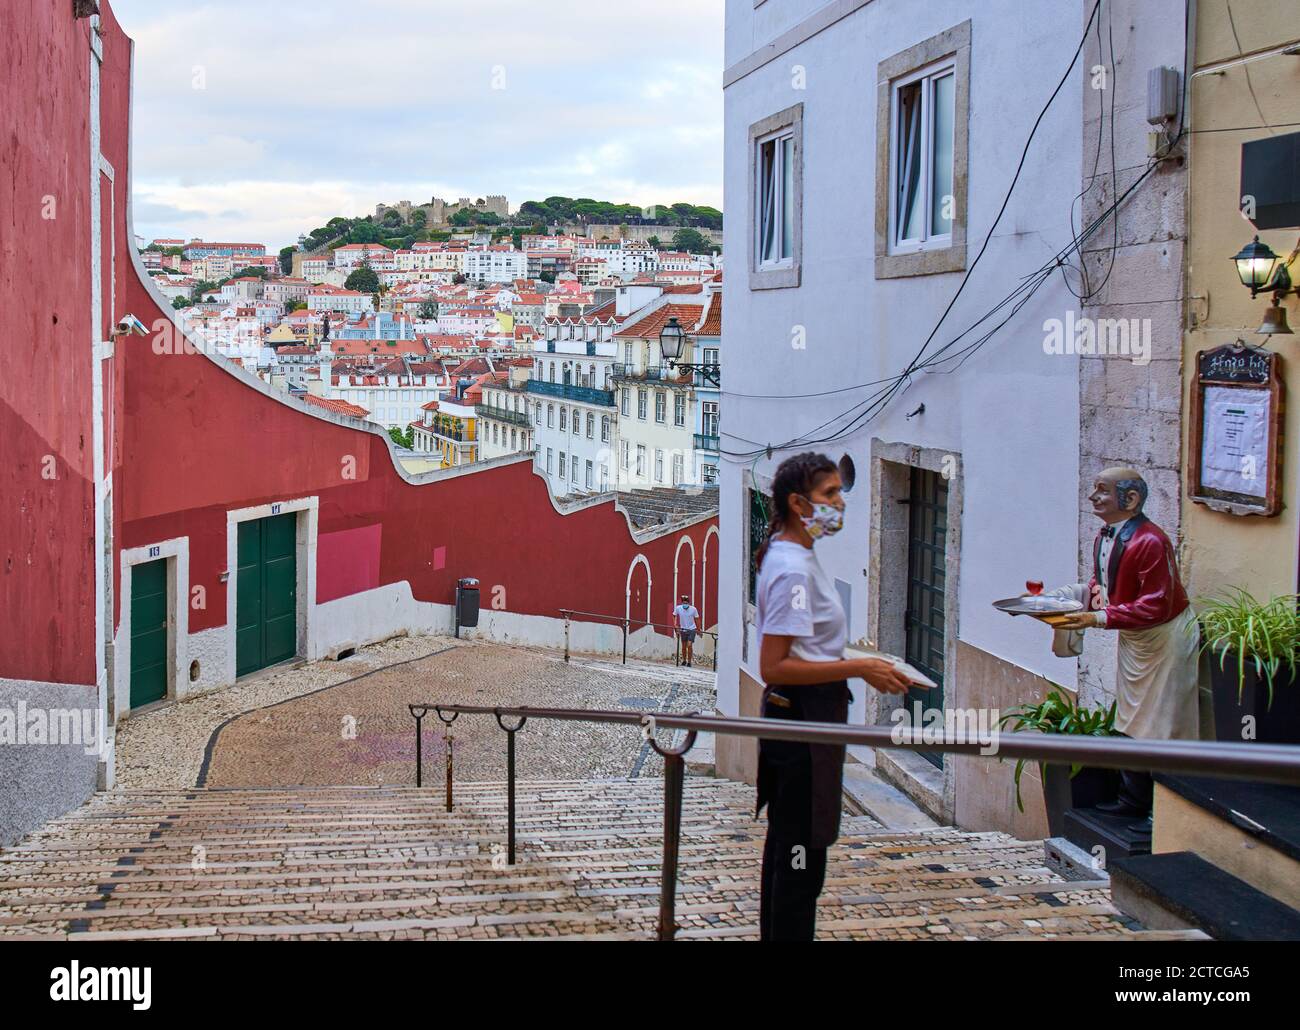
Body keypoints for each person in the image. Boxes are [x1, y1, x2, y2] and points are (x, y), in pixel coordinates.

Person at [755, 451, 919, 941]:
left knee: (790, 851)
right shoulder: (793, 571)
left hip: (811, 720)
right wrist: (863, 667)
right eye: (829, 494)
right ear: (798, 504)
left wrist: (860, 663)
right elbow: (774, 666)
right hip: (802, 725)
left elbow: (807, 645)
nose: (840, 502)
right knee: (800, 861)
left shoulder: (798, 557)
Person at [1051, 467, 1199, 826]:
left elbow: (1157, 603)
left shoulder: (1152, 541)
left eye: (1102, 491)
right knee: (1131, 719)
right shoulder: (1105, 537)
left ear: (1130, 500)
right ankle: (1132, 800)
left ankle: (1163, 813)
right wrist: (1075, 599)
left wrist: (1096, 619)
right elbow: (1103, 583)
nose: (1093, 498)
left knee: (1163, 724)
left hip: (1163, 640)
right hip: (1136, 640)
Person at [673, 594, 700, 667]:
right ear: (682, 603)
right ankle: (684, 660)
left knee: (689, 645)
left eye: (686, 603)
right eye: (684, 603)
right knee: (683, 646)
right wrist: (675, 625)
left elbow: (697, 619)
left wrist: (698, 629)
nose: (685, 604)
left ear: (689, 603)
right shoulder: (678, 608)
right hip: (683, 629)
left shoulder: (693, 609)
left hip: (692, 629)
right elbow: (674, 615)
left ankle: (689, 662)